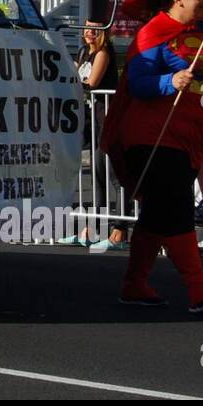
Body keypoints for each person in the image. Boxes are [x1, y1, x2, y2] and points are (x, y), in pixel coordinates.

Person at [100, 0, 203, 313]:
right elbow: (139, 83)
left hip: (187, 136)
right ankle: (198, 288)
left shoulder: (201, 33)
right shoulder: (152, 33)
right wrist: (169, 81)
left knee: (157, 215)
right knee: (175, 211)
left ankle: (134, 284)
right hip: (153, 137)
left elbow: (202, 83)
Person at [65, 21, 121, 246]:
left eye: (94, 28)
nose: (88, 32)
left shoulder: (103, 53)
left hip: (105, 117)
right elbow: (75, 75)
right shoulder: (83, 51)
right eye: (86, 27)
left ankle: (121, 227)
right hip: (90, 118)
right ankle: (94, 228)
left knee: (112, 173)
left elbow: (91, 82)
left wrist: (73, 81)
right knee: (97, 173)